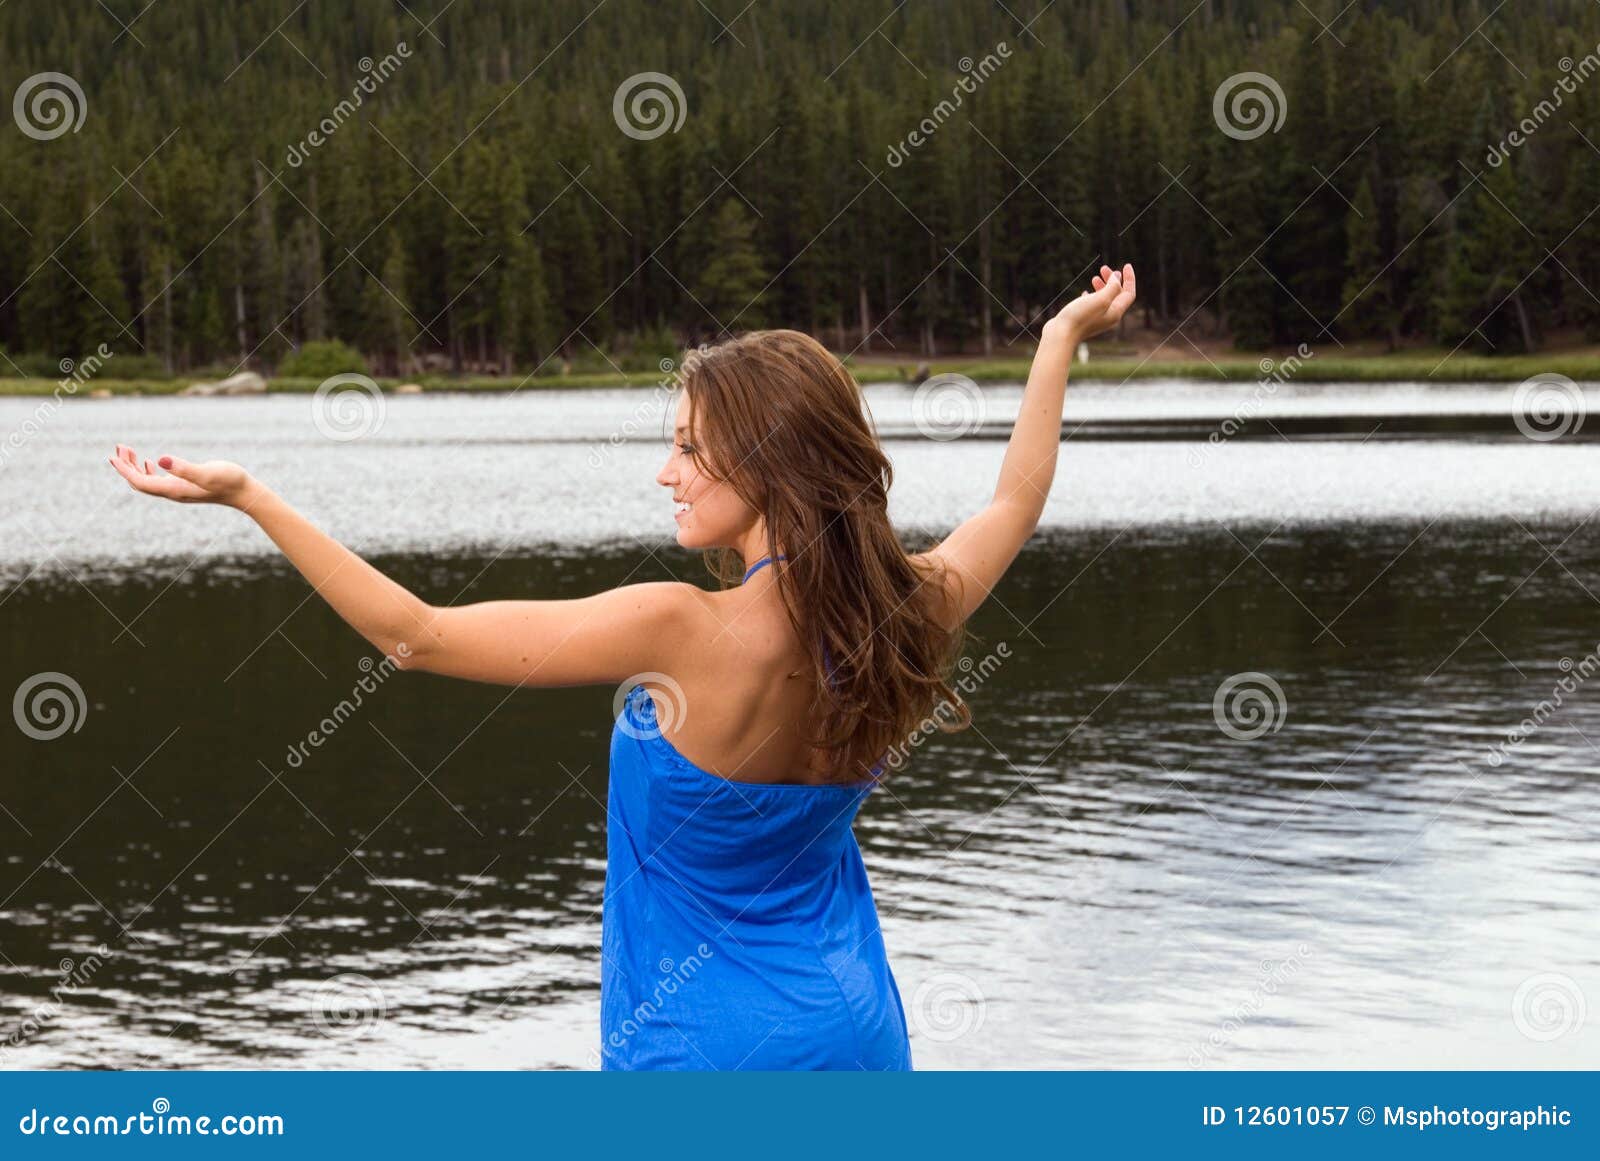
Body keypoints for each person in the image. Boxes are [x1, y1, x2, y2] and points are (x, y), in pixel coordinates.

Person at [108, 262, 1137, 1070]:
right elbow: (1016, 500)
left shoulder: (678, 626)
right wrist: (1058, 340)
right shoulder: (905, 607)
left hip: (700, 1056)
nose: (665, 471)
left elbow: (414, 636)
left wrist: (252, 498)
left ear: (766, 462)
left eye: (688, 447)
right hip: (855, 1033)